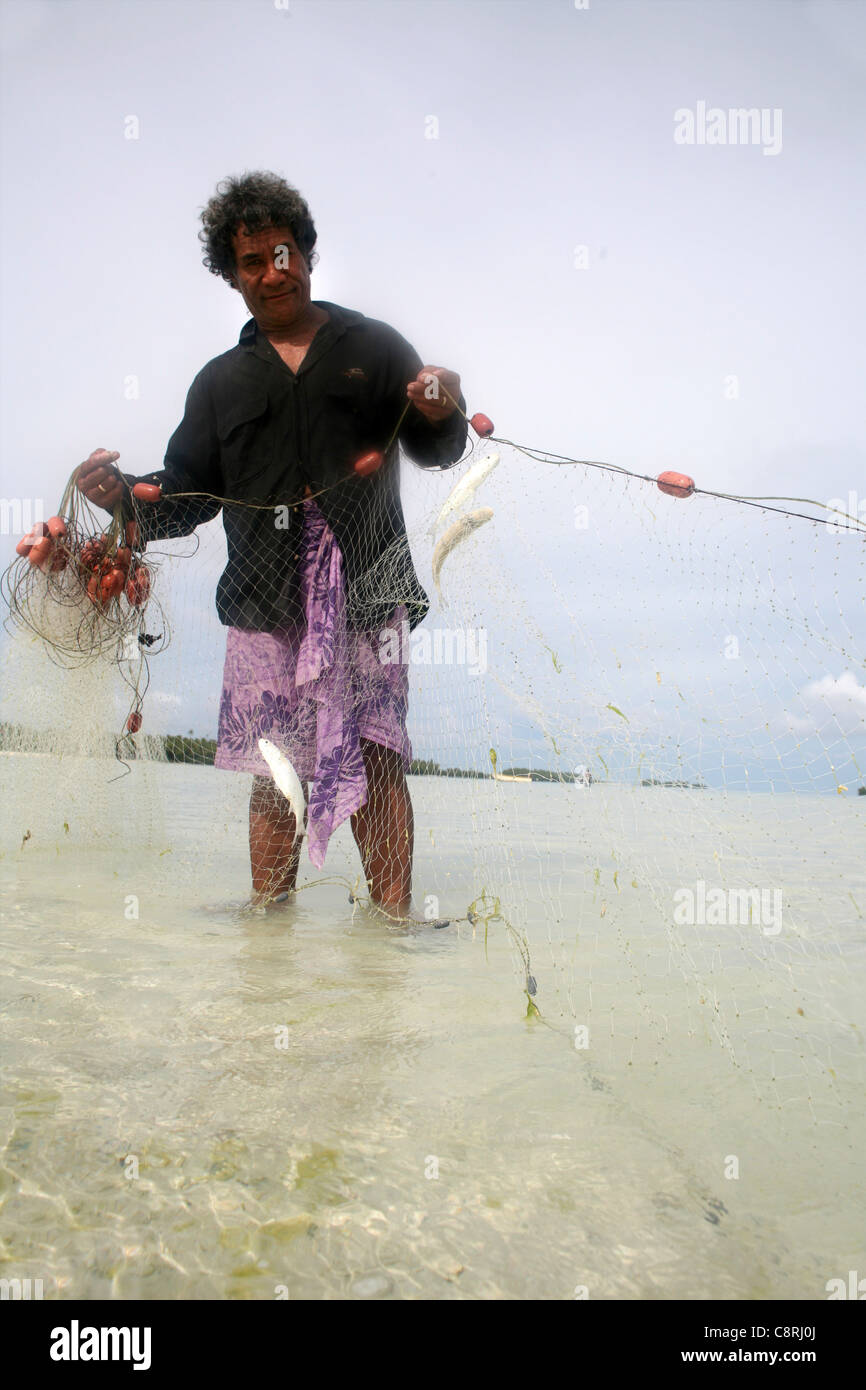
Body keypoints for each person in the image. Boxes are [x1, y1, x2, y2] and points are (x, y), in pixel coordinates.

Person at [76, 171, 467, 918]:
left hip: (369, 591)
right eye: (251, 263)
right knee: (274, 773)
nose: (270, 272)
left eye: (281, 253)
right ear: (233, 277)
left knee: (378, 758)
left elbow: (438, 447)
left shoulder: (375, 349)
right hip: (263, 605)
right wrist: (123, 496)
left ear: (307, 253)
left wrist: (445, 406)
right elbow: (185, 492)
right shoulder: (220, 382)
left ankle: (392, 933)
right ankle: (267, 946)